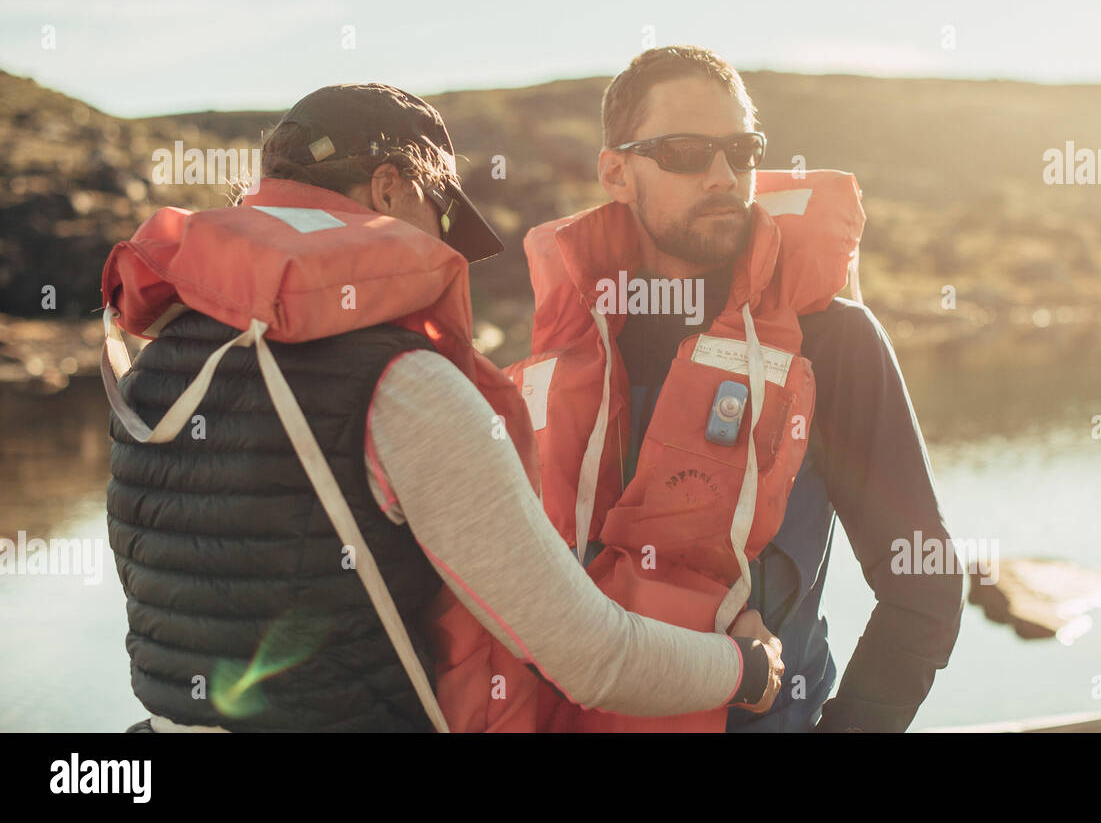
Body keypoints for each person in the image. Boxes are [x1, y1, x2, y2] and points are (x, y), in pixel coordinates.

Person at [100, 82, 783, 733]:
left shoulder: (157, 366)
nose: (449, 245)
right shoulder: (402, 384)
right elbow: (590, 655)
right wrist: (745, 668)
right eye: (444, 214)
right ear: (390, 187)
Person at [502, 47, 964, 732]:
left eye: (742, 150)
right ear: (616, 172)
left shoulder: (833, 344)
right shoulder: (571, 349)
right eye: (686, 151)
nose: (723, 176)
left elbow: (923, 587)